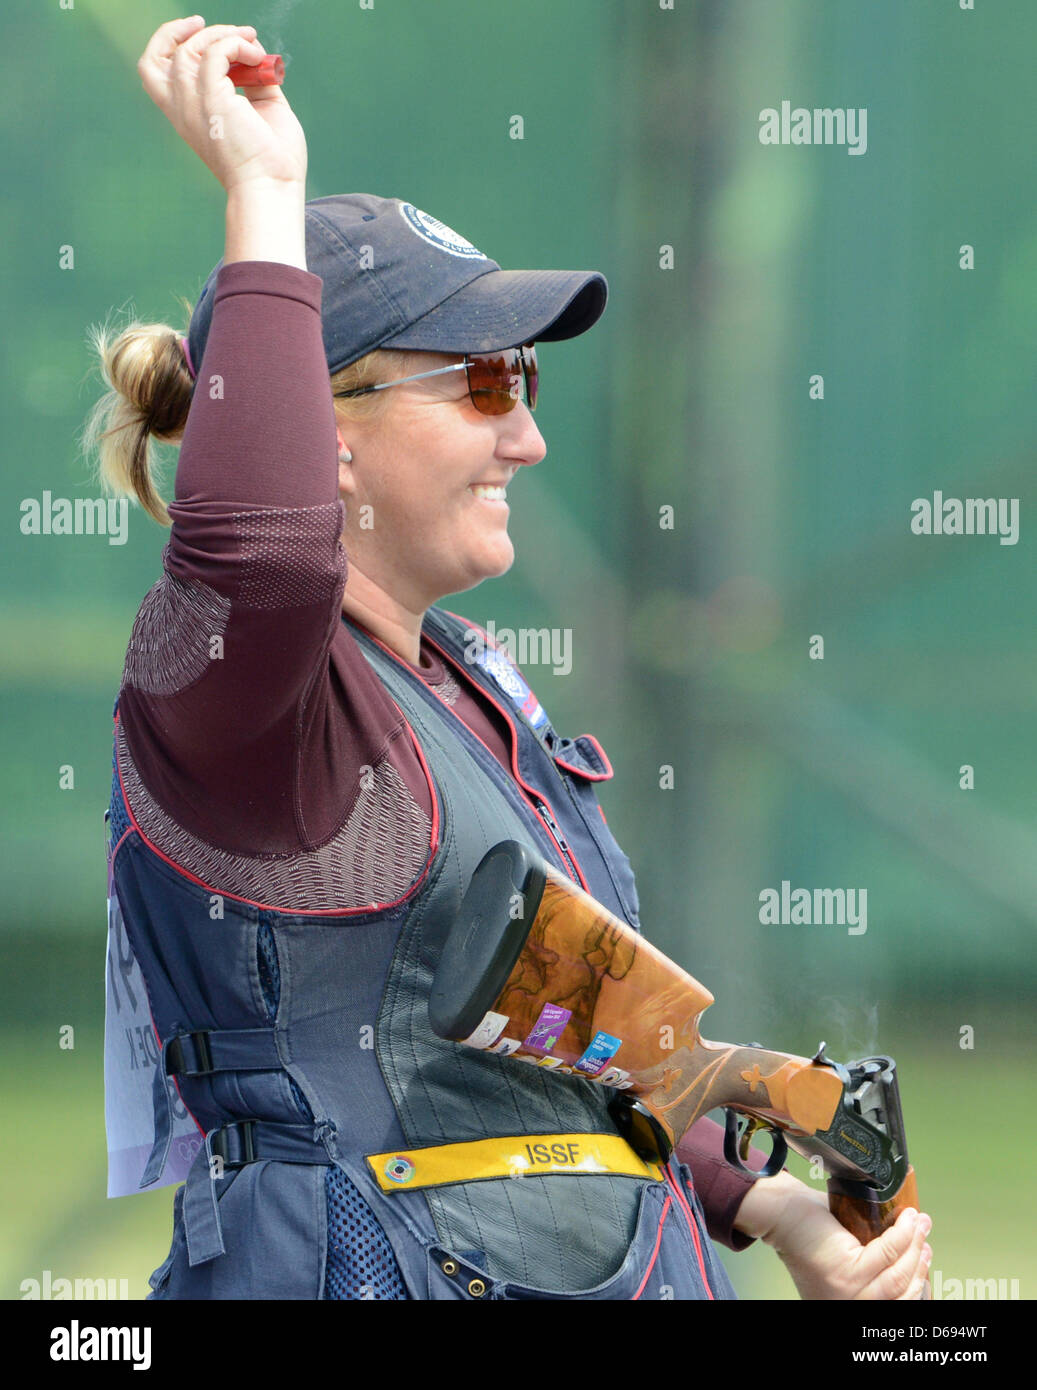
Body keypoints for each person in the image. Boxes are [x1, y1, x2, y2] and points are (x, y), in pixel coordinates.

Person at [85, 16, 933, 1300]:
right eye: (483, 383)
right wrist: (264, 195)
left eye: (525, 381)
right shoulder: (242, 694)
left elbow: (563, 1024)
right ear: (324, 435)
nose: (524, 437)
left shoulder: (465, 679)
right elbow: (255, 549)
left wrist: (764, 1200)